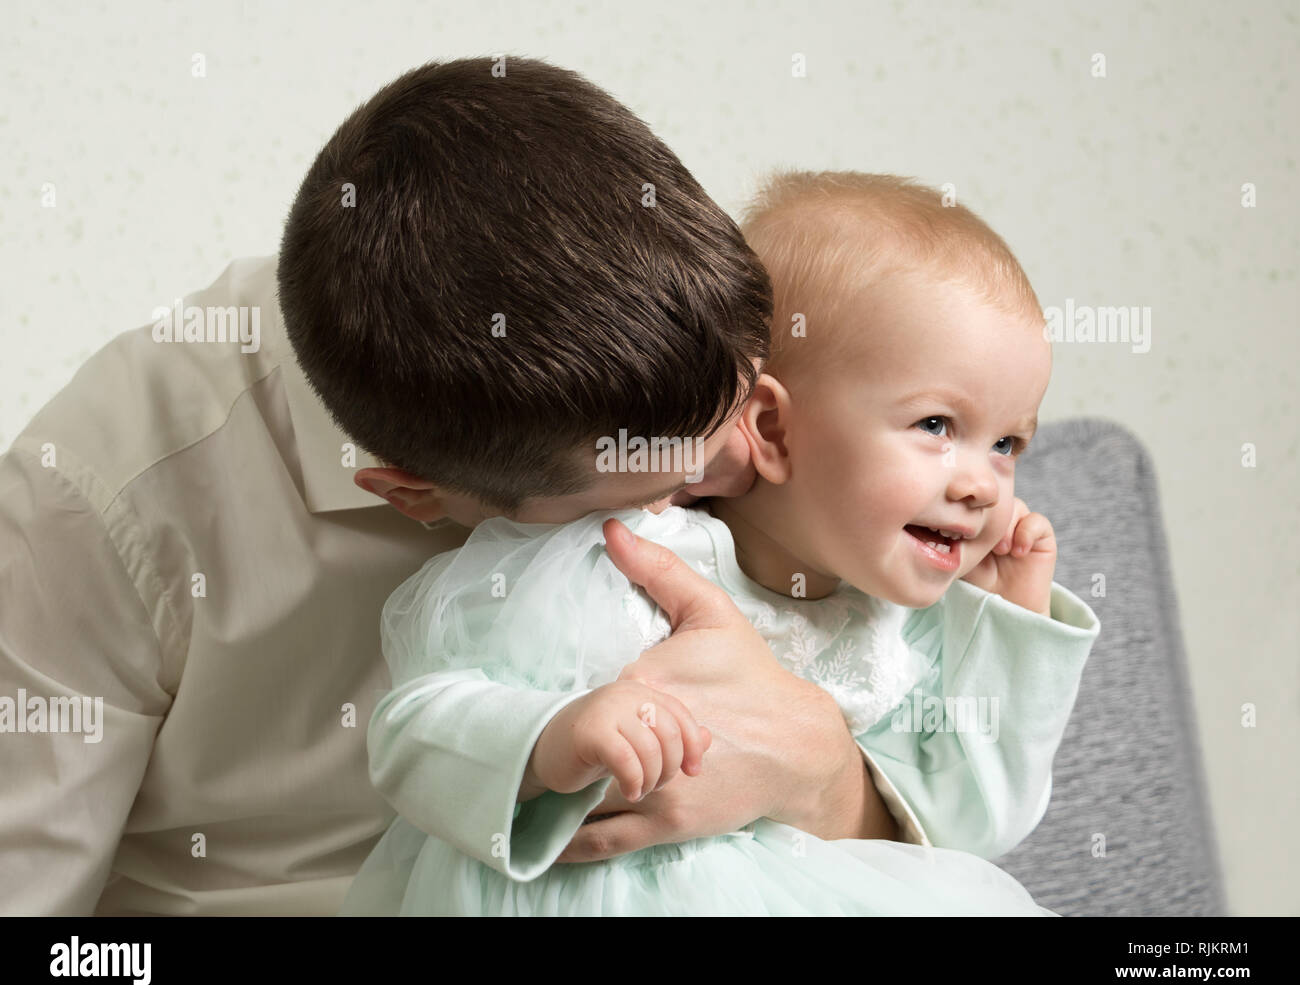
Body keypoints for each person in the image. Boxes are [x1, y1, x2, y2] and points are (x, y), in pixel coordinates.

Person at [0, 58, 910, 917]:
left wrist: (824, 781)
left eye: (750, 411)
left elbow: (934, 773)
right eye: (649, 493)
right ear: (413, 492)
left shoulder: (681, 325)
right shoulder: (95, 503)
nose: (752, 469)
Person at [336, 171, 1101, 915]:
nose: (982, 485)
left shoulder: (909, 632)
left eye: (1008, 443)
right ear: (770, 427)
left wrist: (1009, 626)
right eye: (936, 426)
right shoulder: (619, 554)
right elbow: (413, 732)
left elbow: (975, 826)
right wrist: (550, 738)